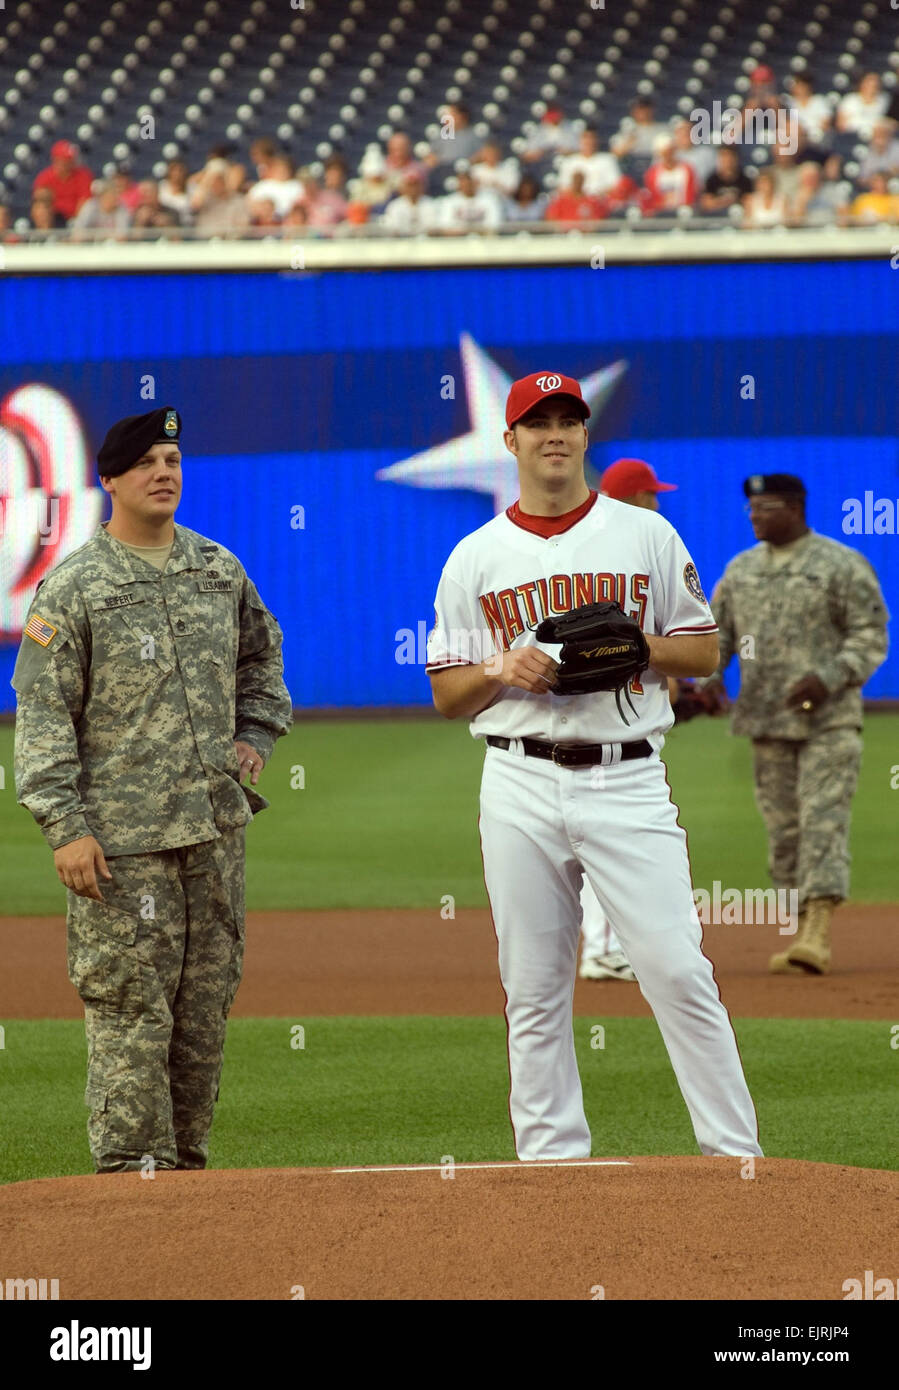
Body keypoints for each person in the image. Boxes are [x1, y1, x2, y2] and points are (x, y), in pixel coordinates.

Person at [425, 372, 763, 1162]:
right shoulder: (474, 556)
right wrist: (499, 669)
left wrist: (634, 645)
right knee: (533, 989)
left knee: (678, 969)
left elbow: (704, 649)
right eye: (536, 422)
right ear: (508, 441)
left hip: (629, 775)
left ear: (584, 435)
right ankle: (550, 1165)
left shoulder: (643, 534)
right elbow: (446, 691)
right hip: (516, 778)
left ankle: (735, 1158)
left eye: (567, 420)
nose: (554, 434)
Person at [11, 406, 293, 1171]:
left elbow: (262, 662)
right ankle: (133, 1183)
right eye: (146, 463)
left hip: (211, 836)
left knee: (202, 1012)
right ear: (110, 481)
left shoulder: (217, 569)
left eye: (172, 459)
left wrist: (255, 734)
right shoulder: (73, 588)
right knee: (130, 1008)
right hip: (121, 847)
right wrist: (65, 825)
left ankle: (184, 1185)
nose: (164, 473)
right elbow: (41, 715)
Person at [697, 475, 888, 976]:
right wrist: (711, 680)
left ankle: (818, 933)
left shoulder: (839, 564)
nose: (754, 516)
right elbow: (718, 638)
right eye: (751, 509)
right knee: (784, 833)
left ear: (796, 508)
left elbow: (870, 634)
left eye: (765, 507)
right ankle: (801, 927)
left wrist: (830, 677)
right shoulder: (741, 570)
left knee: (822, 820)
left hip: (830, 720)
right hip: (766, 718)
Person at [577, 458, 680, 981]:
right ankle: (601, 949)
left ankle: (606, 946)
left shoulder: (625, 544)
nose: (658, 502)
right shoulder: (623, 552)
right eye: (651, 493)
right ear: (635, 498)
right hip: (597, 726)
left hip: (617, 717)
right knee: (605, 845)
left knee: (606, 846)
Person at [32, 139, 94, 222]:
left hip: (76, 220)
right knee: (41, 209)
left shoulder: (83, 175)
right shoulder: (45, 177)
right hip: (53, 219)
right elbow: (39, 200)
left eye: (70, 160)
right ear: (55, 160)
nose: (68, 163)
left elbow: (85, 202)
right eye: (64, 160)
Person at [556, 128, 621, 198]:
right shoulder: (569, 161)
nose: (589, 141)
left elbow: (616, 186)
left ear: (597, 140)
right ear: (579, 140)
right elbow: (563, 188)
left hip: (601, 202)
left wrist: (594, 196)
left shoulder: (608, 159)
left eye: (592, 138)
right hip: (576, 202)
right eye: (585, 138)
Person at [643, 133, 698, 213]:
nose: (668, 156)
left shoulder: (686, 169)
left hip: (683, 211)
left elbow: (691, 195)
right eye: (664, 153)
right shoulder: (653, 173)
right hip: (661, 213)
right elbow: (653, 197)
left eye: (670, 152)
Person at [437, 167, 503, 233]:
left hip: (484, 239)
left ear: (475, 182)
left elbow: (494, 225)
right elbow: (446, 226)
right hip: (457, 240)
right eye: (463, 182)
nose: (467, 185)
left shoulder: (489, 199)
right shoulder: (449, 201)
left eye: (469, 181)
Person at [698, 146, 752, 215]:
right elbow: (707, 204)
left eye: (730, 157)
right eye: (724, 156)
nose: (727, 160)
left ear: (736, 158)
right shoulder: (712, 179)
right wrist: (726, 201)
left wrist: (719, 202)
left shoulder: (744, 180)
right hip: (716, 219)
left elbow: (749, 202)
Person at [836, 72, 889, 140]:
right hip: (852, 137)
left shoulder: (885, 101)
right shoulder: (850, 99)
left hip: (876, 140)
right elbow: (840, 125)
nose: (871, 87)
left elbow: (892, 124)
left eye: (875, 85)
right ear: (862, 84)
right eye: (869, 84)